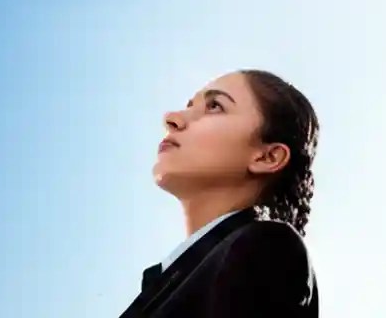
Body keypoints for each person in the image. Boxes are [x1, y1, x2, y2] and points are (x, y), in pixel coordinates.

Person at [119, 69, 320, 318]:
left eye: (215, 106)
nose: (172, 118)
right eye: (190, 105)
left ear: (267, 157)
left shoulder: (266, 249)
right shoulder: (171, 276)